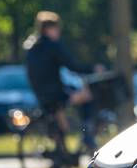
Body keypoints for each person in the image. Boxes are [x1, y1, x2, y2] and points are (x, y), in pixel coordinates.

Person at [25, 11, 97, 146]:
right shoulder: (53, 46)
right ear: (49, 29)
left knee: (59, 121)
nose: (59, 33)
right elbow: (72, 66)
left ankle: (61, 150)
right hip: (57, 94)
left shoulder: (31, 46)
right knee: (88, 95)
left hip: (40, 93)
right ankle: (87, 134)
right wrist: (93, 69)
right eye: (57, 29)